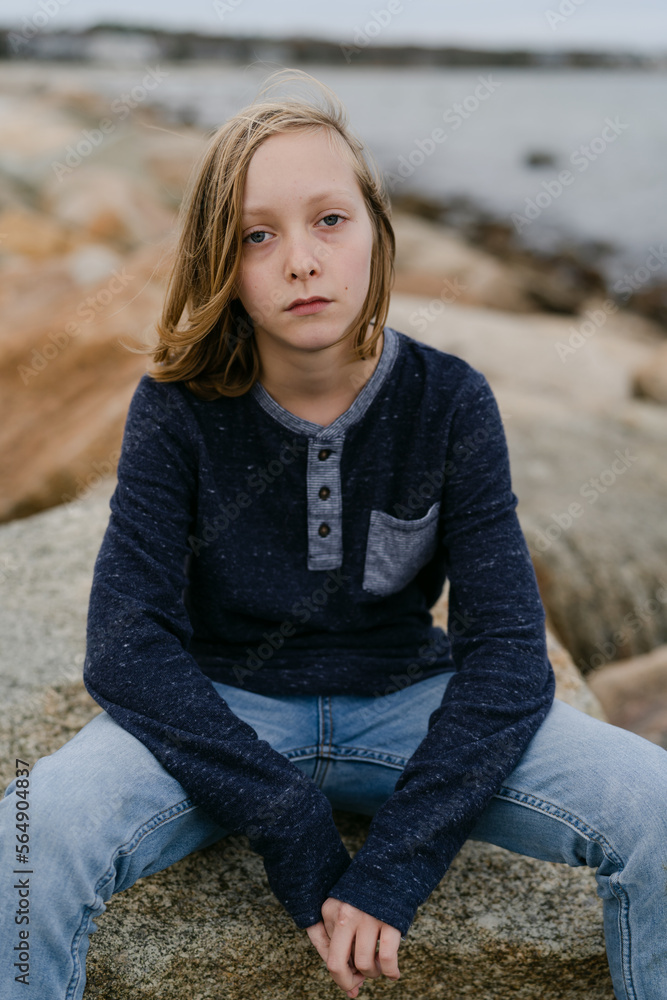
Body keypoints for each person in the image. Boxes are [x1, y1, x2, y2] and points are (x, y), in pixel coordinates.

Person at [1, 67, 666, 1000]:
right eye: (257, 236)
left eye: (329, 220)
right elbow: (125, 646)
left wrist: (395, 864)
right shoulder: (176, 410)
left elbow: (509, 651)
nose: (301, 261)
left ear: (375, 235)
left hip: (408, 708)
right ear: (220, 266)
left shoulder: (450, 401)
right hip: (223, 707)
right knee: (27, 833)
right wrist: (291, 827)